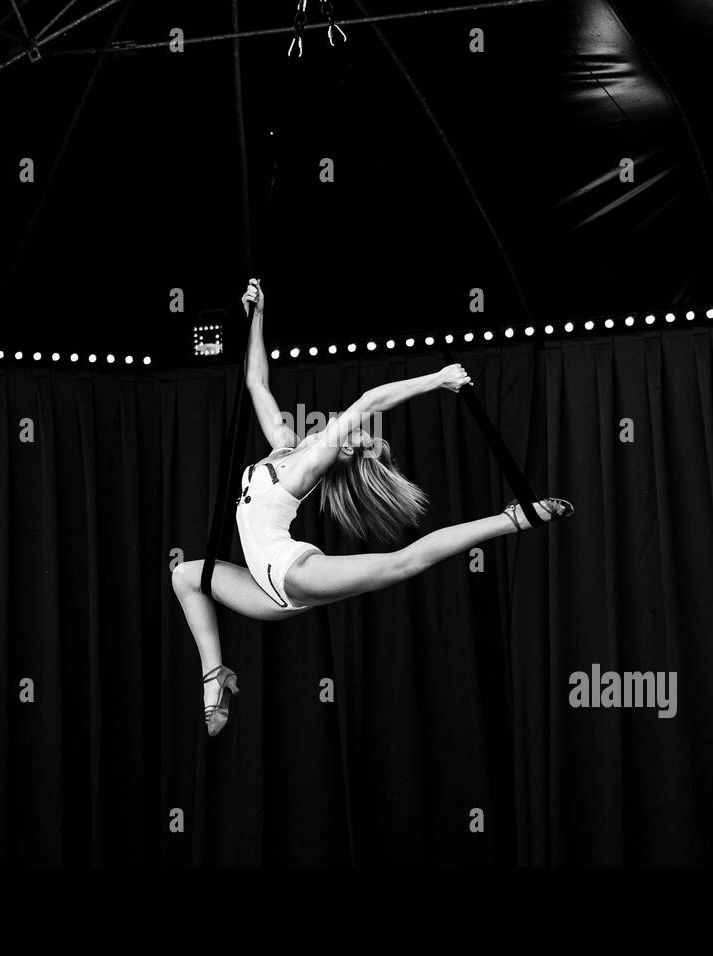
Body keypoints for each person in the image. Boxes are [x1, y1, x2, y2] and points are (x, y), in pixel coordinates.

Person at [173, 279, 573, 735]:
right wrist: (258, 314)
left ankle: (513, 519)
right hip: (264, 594)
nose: (354, 432)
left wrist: (439, 380)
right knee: (184, 575)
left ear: (340, 453)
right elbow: (255, 381)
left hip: (291, 574)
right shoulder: (283, 447)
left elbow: (370, 401)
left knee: (402, 564)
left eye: (356, 439)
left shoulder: (306, 470)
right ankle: (214, 675)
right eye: (361, 436)